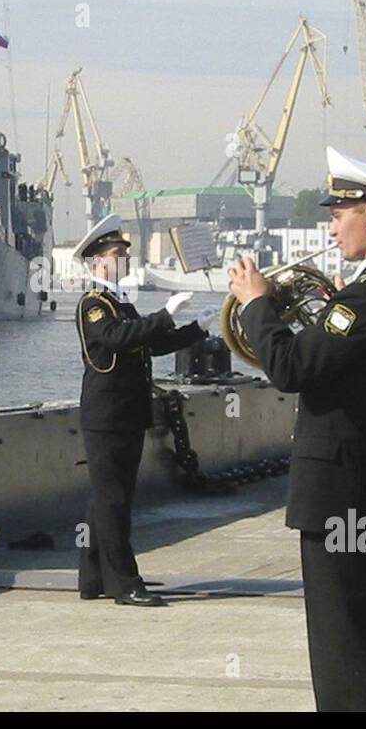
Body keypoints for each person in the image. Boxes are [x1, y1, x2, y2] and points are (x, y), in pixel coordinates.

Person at [228, 147, 366, 712]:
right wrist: (329, 315)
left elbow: (292, 368)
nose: (331, 226)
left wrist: (257, 305)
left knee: (342, 641)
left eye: (338, 213)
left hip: (341, 495)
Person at [74, 214, 212, 606]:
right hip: (107, 416)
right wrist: (165, 313)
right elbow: (118, 339)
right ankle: (125, 584)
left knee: (107, 497)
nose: (126, 260)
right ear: (100, 262)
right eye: (119, 254)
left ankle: (94, 576)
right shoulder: (94, 304)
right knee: (114, 500)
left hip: (126, 413)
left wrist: (194, 330)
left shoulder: (121, 303)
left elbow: (150, 344)